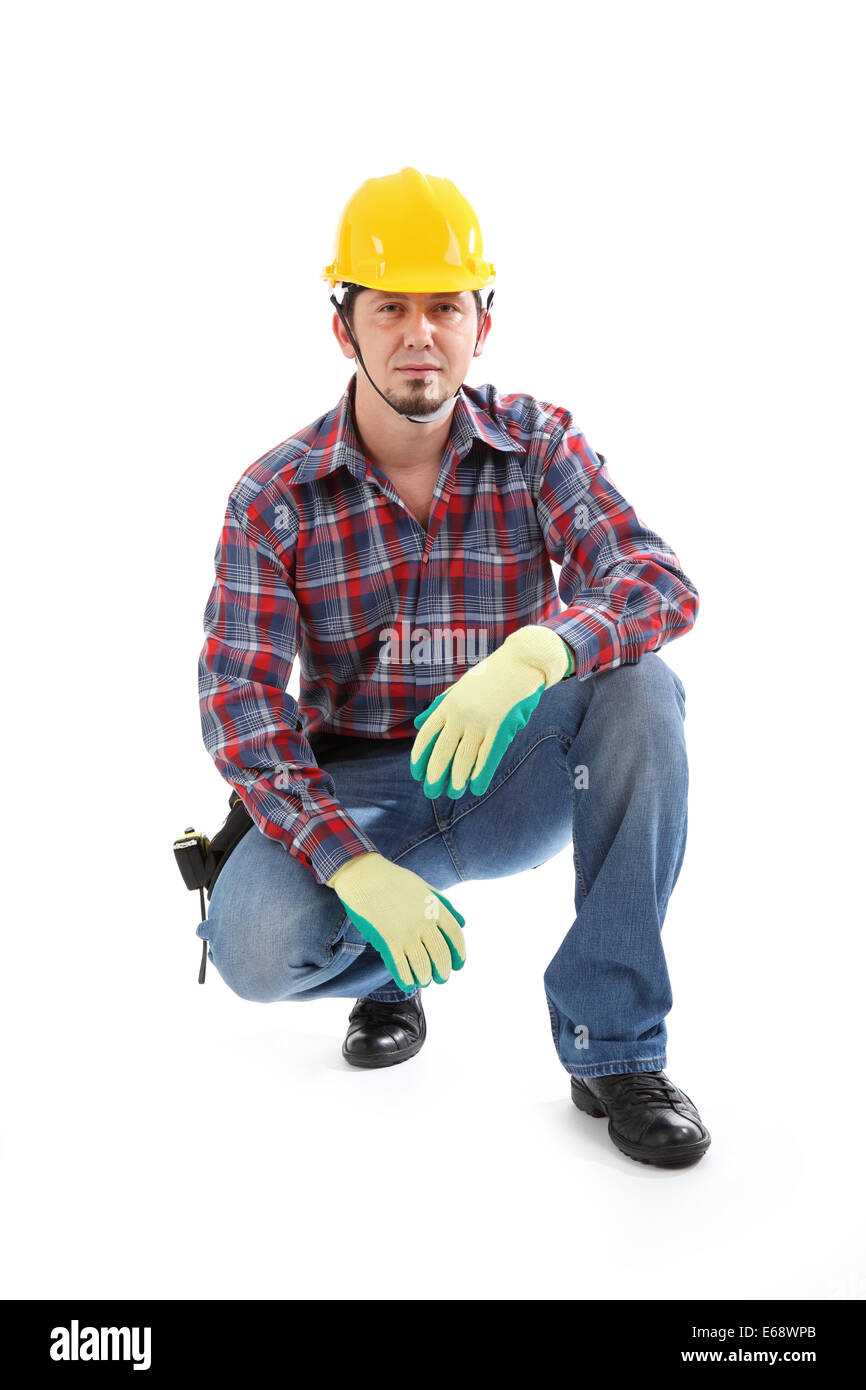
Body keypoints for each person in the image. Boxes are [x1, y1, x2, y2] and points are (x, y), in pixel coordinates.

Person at [197, 166, 711, 1168]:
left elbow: (654, 579)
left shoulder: (537, 443)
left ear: (483, 320)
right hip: (357, 788)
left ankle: (613, 1047)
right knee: (251, 945)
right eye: (390, 307)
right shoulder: (271, 497)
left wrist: (536, 650)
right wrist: (350, 864)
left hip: (515, 768)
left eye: (444, 306)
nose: (419, 334)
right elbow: (242, 709)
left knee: (642, 688)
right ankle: (392, 961)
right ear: (343, 327)